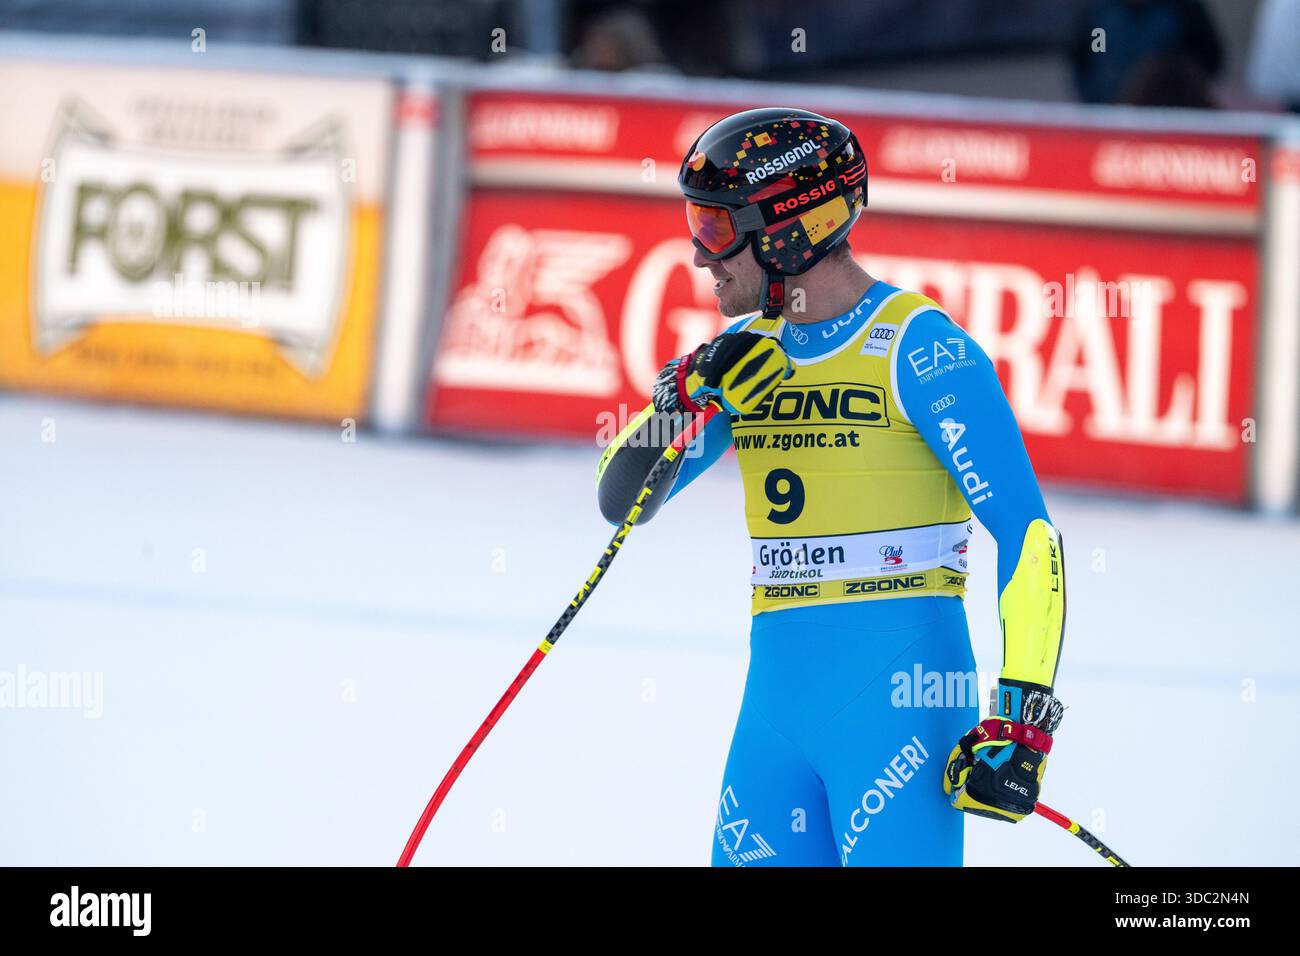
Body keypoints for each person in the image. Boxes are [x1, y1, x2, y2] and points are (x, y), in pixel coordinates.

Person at [595, 108, 1066, 866]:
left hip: (905, 708)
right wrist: (682, 399)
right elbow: (621, 501)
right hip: (777, 710)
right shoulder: (745, 357)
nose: (698, 254)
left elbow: (1028, 535)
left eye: (716, 229)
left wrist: (1022, 720)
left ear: (789, 226)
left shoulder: (922, 348)